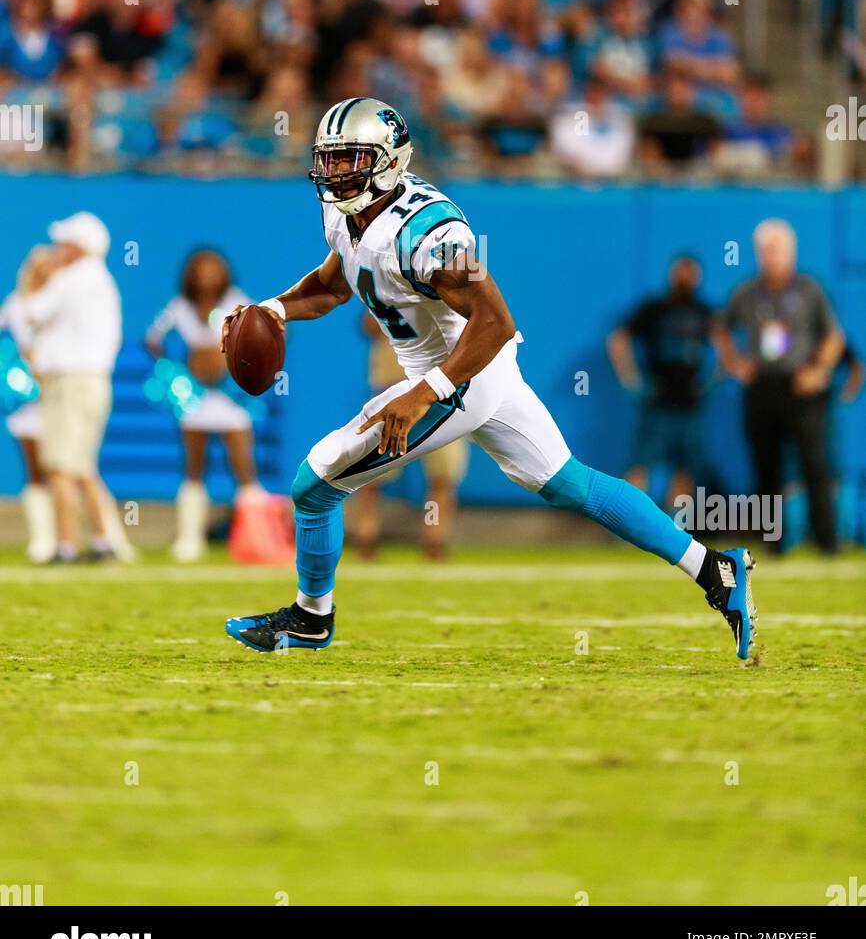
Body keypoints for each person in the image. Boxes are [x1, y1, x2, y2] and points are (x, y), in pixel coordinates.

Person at [223, 97, 757, 659]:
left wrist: (426, 392)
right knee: (569, 482)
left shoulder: (429, 233)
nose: (333, 174)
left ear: (386, 161)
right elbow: (335, 283)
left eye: (348, 159)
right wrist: (271, 311)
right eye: (328, 160)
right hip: (470, 375)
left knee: (315, 484)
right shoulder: (349, 214)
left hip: (461, 374)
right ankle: (715, 569)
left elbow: (497, 322)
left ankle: (311, 619)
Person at [715, 219, 845, 554]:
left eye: (776, 250)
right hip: (762, 386)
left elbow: (834, 336)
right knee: (765, 465)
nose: (770, 257)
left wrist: (819, 370)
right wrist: (735, 363)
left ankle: (827, 543)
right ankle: (773, 543)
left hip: (801, 386)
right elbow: (721, 328)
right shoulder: (747, 292)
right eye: (764, 251)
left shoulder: (808, 289)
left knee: (815, 464)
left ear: (790, 252)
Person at [20, 211, 134, 562]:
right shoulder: (103, 281)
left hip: (69, 381)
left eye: (63, 244)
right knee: (81, 465)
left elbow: (32, 311)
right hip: (94, 380)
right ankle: (105, 541)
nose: (57, 250)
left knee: (59, 465)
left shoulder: (71, 279)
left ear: (78, 247)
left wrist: (38, 277)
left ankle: (65, 545)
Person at [146, 249, 258, 563]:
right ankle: (189, 539)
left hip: (231, 396)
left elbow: (273, 331)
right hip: (194, 397)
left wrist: (236, 361)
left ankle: (254, 538)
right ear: (189, 274)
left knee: (243, 466)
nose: (207, 275)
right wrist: (179, 367)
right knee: (194, 467)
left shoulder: (237, 301)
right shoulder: (179, 307)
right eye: (200, 269)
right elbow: (153, 339)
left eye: (213, 269)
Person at [353, 313, 468, 560]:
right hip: (392, 391)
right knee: (369, 476)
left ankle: (434, 541)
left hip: (439, 395)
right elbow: (368, 325)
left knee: (441, 476)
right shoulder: (385, 290)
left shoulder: (448, 297)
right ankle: (366, 537)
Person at [607, 256, 715, 509]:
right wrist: (630, 378)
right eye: (682, 272)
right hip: (657, 403)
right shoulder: (654, 309)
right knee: (640, 464)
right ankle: (628, 526)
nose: (686, 278)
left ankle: (673, 531)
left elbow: (725, 345)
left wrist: (712, 381)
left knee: (686, 468)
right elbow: (618, 339)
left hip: (691, 405)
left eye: (691, 273)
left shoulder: (704, 312)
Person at [0, 246, 57, 563]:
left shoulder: (64, 301)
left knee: (65, 465)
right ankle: (42, 539)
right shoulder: (16, 303)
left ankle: (69, 536)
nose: (44, 272)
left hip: (59, 391)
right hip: (26, 396)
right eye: (39, 267)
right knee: (35, 468)